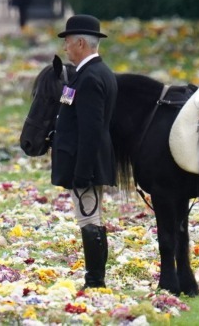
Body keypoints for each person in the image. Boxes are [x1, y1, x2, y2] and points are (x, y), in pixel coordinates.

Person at [52, 15, 118, 289]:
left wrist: (82, 172)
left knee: (88, 219)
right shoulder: (93, 73)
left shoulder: (90, 78)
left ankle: (95, 281)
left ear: (80, 42)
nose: (66, 48)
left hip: (85, 164)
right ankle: (96, 278)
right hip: (86, 161)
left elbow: (91, 130)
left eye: (67, 43)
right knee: (92, 218)